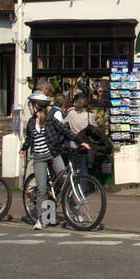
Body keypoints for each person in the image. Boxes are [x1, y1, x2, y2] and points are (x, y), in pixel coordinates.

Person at [20, 90, 91, 230]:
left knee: (65, 183)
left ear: (37, 106)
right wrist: (24, 148)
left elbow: (66, 131)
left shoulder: (50, 121)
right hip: (39, 158)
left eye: (30, 105)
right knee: (42, 189)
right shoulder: (30, 123)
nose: (29, 108)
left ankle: (75, 211)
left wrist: (80, 141)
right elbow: (29, 138)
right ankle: (42, 219)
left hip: (53, 155)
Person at [65, 94, 93, 177]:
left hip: (73, 144)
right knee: (84, 167)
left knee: (74, 166)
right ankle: (83, 188)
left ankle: (74, 187)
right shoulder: (88, 115)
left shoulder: (71, 114)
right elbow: (94, 127)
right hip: (85, 144)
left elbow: (64, 124)